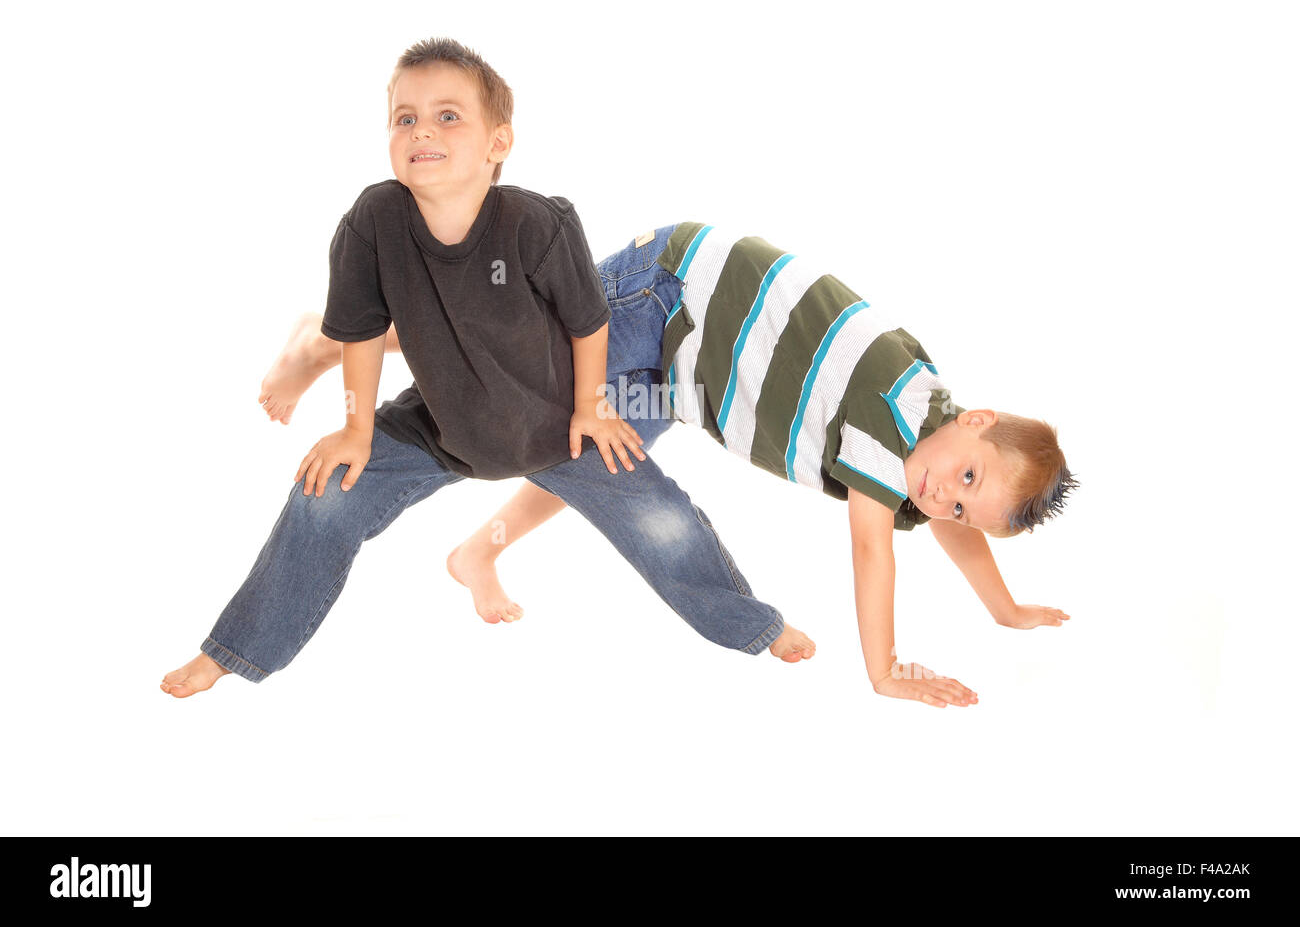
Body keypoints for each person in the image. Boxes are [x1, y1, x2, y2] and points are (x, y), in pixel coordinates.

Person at [159, 38, 816, 700]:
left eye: (448, 116)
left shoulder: (537, 223)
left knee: (663, 520)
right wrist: (356, 431)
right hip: (442, 423)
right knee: (324, 495)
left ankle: (753, 625)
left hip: (554, 419)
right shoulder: (373, 222)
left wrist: (590, 405)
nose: (422, 130)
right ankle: (232, 651)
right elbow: (358, 333)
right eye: (404, 117)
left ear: (497, 143)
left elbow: (589, 321)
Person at [255, 222, 1079, 708]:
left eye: (964, 507)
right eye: (964, 478)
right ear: (974, 420)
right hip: (670, 295)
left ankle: (480, 551)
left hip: (685, 374)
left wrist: (1003, 608)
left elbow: (949, 527)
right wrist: (884, 669)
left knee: (588, 451)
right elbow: (874, 547)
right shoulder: (894, 420)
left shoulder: (932, 446)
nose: (943, 499)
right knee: (525, 369)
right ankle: (334, 339)